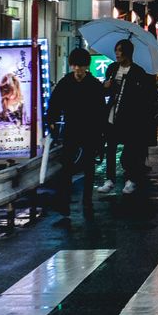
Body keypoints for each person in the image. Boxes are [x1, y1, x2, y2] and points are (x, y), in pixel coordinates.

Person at [47, 48, 106, 222]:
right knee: (66, 166)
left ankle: (87, 200)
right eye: (76, 66)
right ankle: (64, 203)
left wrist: (101, 134)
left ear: (87, 66)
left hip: (90, 129)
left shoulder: (94, 85)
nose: (78, 70)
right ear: (72, 66)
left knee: (89, 166)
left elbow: (100, 110)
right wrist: (51, 118)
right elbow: (55, 103)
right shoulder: (65, 83)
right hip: (72, 128)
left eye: (82, 67)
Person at [98, 39, 156, 196]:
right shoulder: (111, 69)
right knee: (110, 148)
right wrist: (106, 87)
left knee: (130, 149)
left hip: (130, 117)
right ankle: (109, 179)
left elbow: (146, 96)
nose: (116, 53)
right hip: (112, 114)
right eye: (116, 50)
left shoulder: (138, 72)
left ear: (127, 53)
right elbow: (105, 92)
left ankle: (131, 179)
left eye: (119, 50)